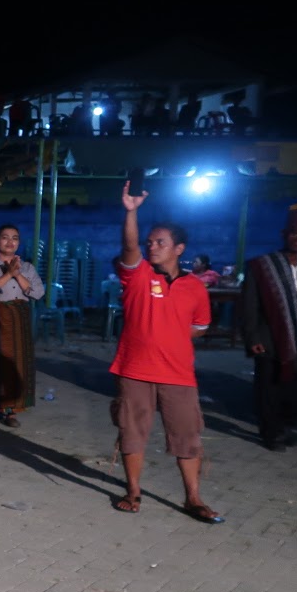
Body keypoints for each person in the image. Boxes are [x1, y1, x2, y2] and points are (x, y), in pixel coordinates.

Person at [108, 183, 221, 520]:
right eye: (150, 242)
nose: (151, 246)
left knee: (187, 436)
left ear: (179, 248)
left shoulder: (194, 287)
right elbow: (129, 245)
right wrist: (132, 210)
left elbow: (201, 326)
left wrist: (170, 335)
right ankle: (133, 492)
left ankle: (194, 498)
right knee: (132, 433)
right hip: (135, 370)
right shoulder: (138, 275)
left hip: (178, 374)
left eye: (160, 242)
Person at [241, 206, 297, 451]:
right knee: (268, 388)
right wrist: (252, 335)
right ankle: (271, 433)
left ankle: (287, 427)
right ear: (284, 234)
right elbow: (249, 305)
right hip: (270, 338)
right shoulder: (262, 266)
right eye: (295, 233)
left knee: (294, 389)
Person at [0, 224, 46, 427]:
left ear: (19, 243)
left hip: (19, 322)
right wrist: (7, 274)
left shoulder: (28, 268)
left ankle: (11, 410)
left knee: (17, 365)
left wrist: (16, 274)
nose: (10, 242)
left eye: (14, 238)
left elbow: (38, 293)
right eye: (5, 238)